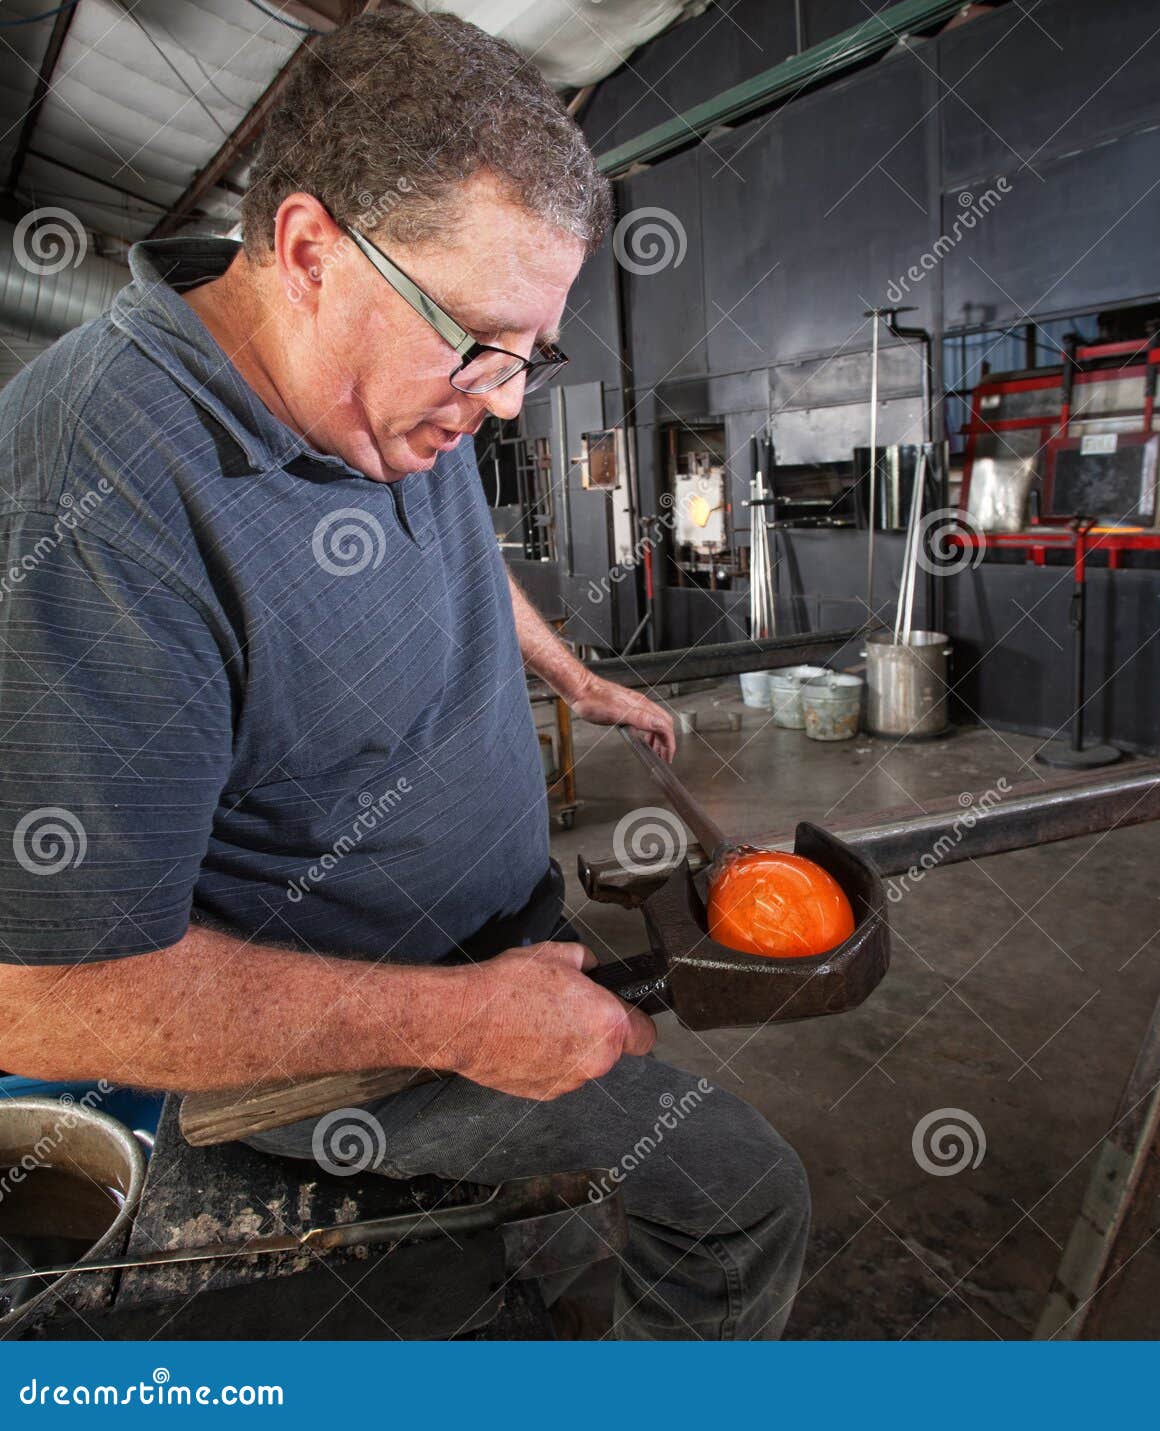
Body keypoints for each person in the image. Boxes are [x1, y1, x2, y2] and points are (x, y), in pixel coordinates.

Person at [0, 10, 808, 1340]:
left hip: (494, 944)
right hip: (352, 1054)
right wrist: (456, 1024)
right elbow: (45, 990)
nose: (502, 402)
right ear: (310, 248)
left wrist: (575, 676)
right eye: (479, 342)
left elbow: (447, 560)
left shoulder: (378, 404)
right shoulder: (105, 491)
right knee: (739, 1195)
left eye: (531, 357)